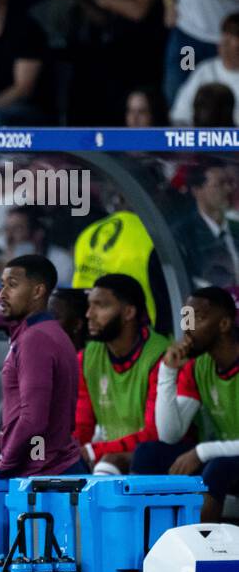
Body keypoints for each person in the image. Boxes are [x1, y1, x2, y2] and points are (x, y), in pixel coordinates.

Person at [0, 254, 86, 477]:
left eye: (12, 285)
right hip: (54, 471)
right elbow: (29, 425)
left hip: (44, 479)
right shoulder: (47, 333)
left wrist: (1, 466)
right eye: (2, 285)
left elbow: (33, 420)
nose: (2, 295)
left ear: (37, 291)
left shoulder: (36, 339)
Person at [132, 287, 239, 522]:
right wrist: (168, 372)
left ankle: (204, 549)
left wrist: (201, 452)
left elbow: (207, 455)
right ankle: (147, 542)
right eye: (185, 318)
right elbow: (170, 434)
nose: (187, 328)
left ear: (224, 324)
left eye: (197, 318)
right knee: (148, 453)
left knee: (219, 467)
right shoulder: (198, 366)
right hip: (225, 458)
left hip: (225, 461)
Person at [76, 273, 170, 474]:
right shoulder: (87, 358)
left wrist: (93, 450)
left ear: (128, 312)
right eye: (89, 305)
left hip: (159, 455)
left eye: (100, 306)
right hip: (109, 451)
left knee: (111, 462)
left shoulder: (161, 357)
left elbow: (155, 433)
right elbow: (82, 424)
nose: (89, 314)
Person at [172, 160, 239, 288]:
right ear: (197, 190)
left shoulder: (236, 227)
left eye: (229, 183)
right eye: (220, 184)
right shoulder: (184, 235)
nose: (228, 189)